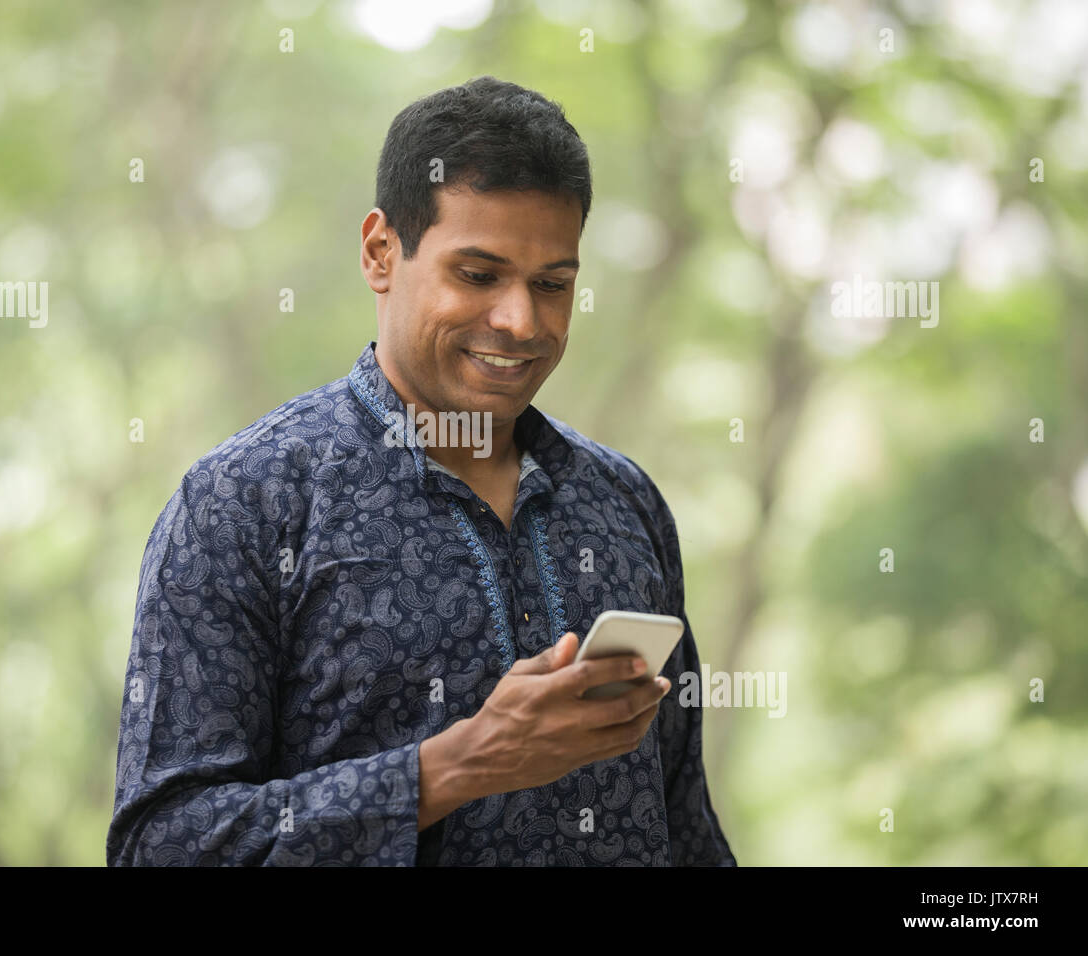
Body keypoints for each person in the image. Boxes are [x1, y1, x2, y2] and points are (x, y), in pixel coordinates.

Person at [106, 75, 735, 866]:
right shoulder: (244, 503)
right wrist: (452, 769)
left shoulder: (624, 503)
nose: (521, 320)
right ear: (380, 252)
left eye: (553, 284)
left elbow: (687, 827)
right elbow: (162, 847)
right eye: (478, 275)